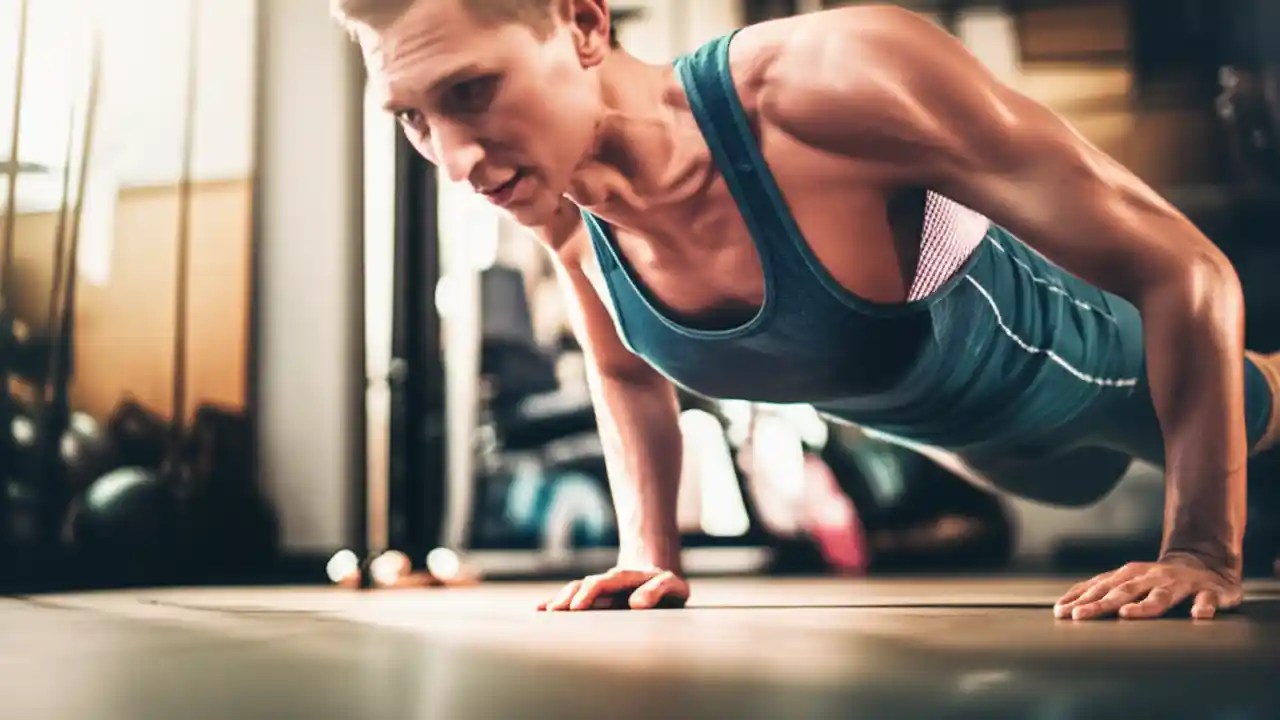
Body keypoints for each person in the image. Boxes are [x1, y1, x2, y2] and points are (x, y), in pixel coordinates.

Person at [332, 0, 1280, 620]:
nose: (453, 158)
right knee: (1063, 479)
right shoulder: (557, 199)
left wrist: (1199, 546)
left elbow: (1185, 270)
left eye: (471, 90)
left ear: (582, 23)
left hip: (1101, 378)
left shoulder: (826, 82)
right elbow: (624, 369)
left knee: (1259, 407)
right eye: (414, 117)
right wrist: (644, 551)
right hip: (991, 457)